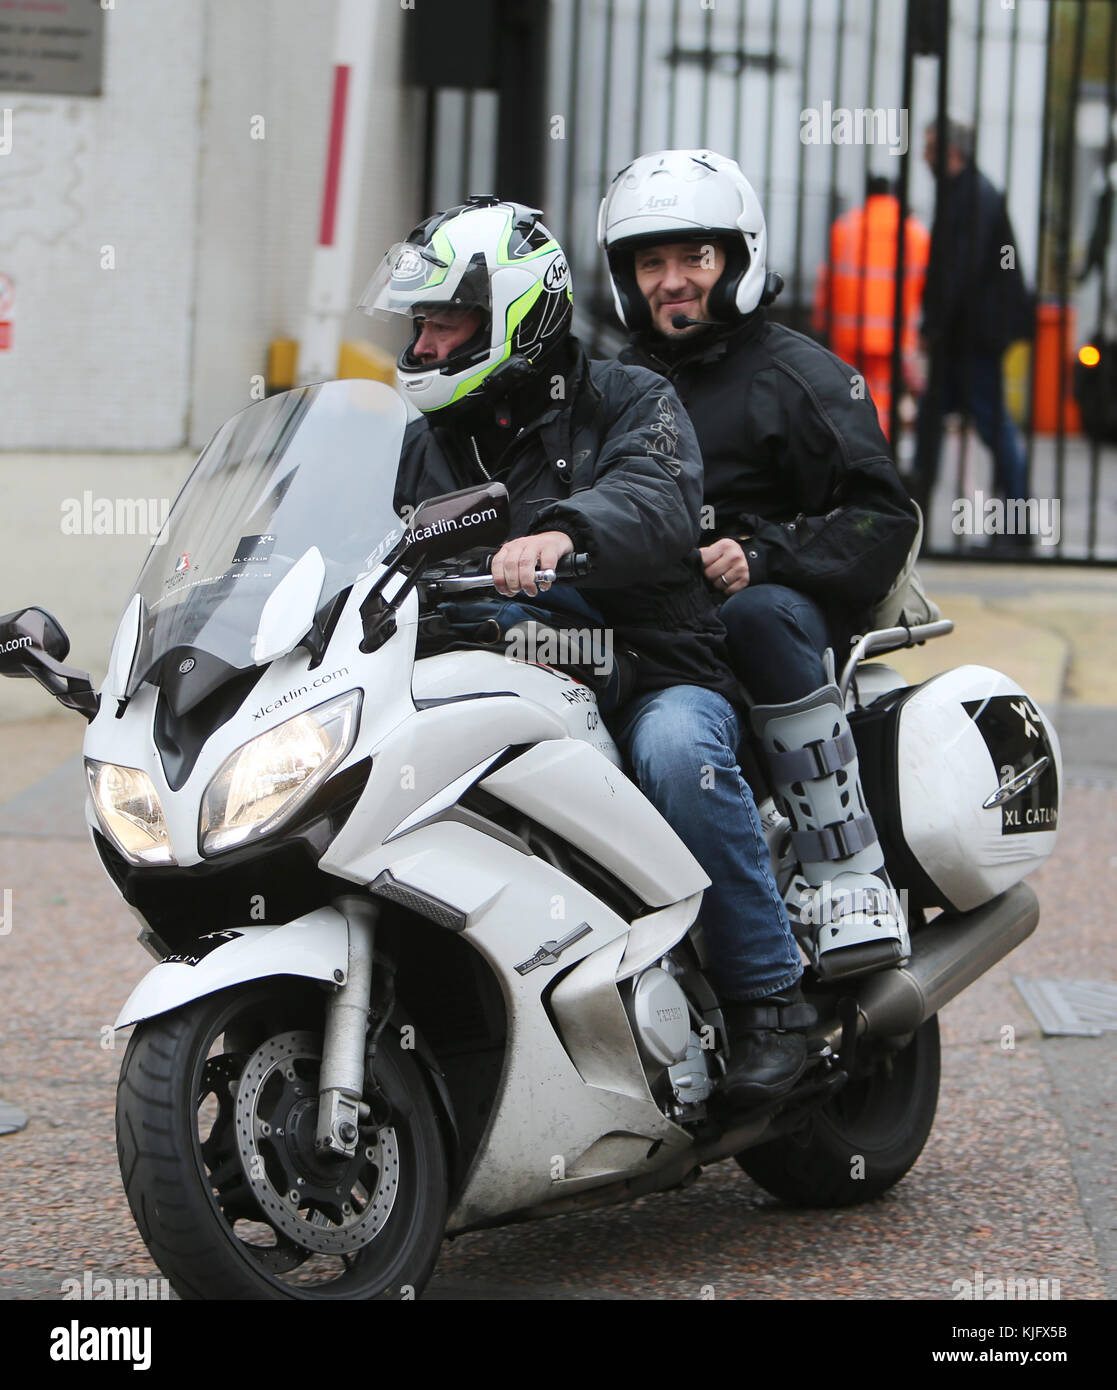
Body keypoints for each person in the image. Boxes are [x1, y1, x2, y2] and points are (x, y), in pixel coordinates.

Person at [359, 194, 814, 1107]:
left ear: (512, 316)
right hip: (496, 674)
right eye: (421, 325)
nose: (425, 346)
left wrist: (562, 535)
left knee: (677, 755)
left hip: (646, 667)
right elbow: (359, 548)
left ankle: (773, 1004)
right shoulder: (426, 445)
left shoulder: (625, 396)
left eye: (445, 324)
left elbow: (655, 500)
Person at [598, 148, 920, 981]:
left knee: (757, 611)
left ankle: (845, 867)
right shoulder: (611, 384)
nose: (671, 280)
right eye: (651, 261)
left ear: (736, 257)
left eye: (694, 257)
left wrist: (761, 552)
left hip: (769, 618)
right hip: (651, 630)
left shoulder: (797, 376)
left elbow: (882, 515)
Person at [912, 119, 1035, 532]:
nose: (924, 157)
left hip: (972, 337)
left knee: (991, 426)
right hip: (966, 334)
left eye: (930, 148)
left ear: (951, 151)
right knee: (943, 423)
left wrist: (933, 327)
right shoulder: (968, 192)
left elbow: (960, 271)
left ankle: (1017, 528)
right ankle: (914, 521)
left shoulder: (972, 196)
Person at [812, 174, 930, 438]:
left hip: (848, 331)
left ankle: (846, 447)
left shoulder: (845, 228)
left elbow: (827, 278)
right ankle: (877, 449)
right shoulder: (913, 232)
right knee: (883, 399)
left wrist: (821, 320)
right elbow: (925, 285)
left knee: (847, 393)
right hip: (892, 332)